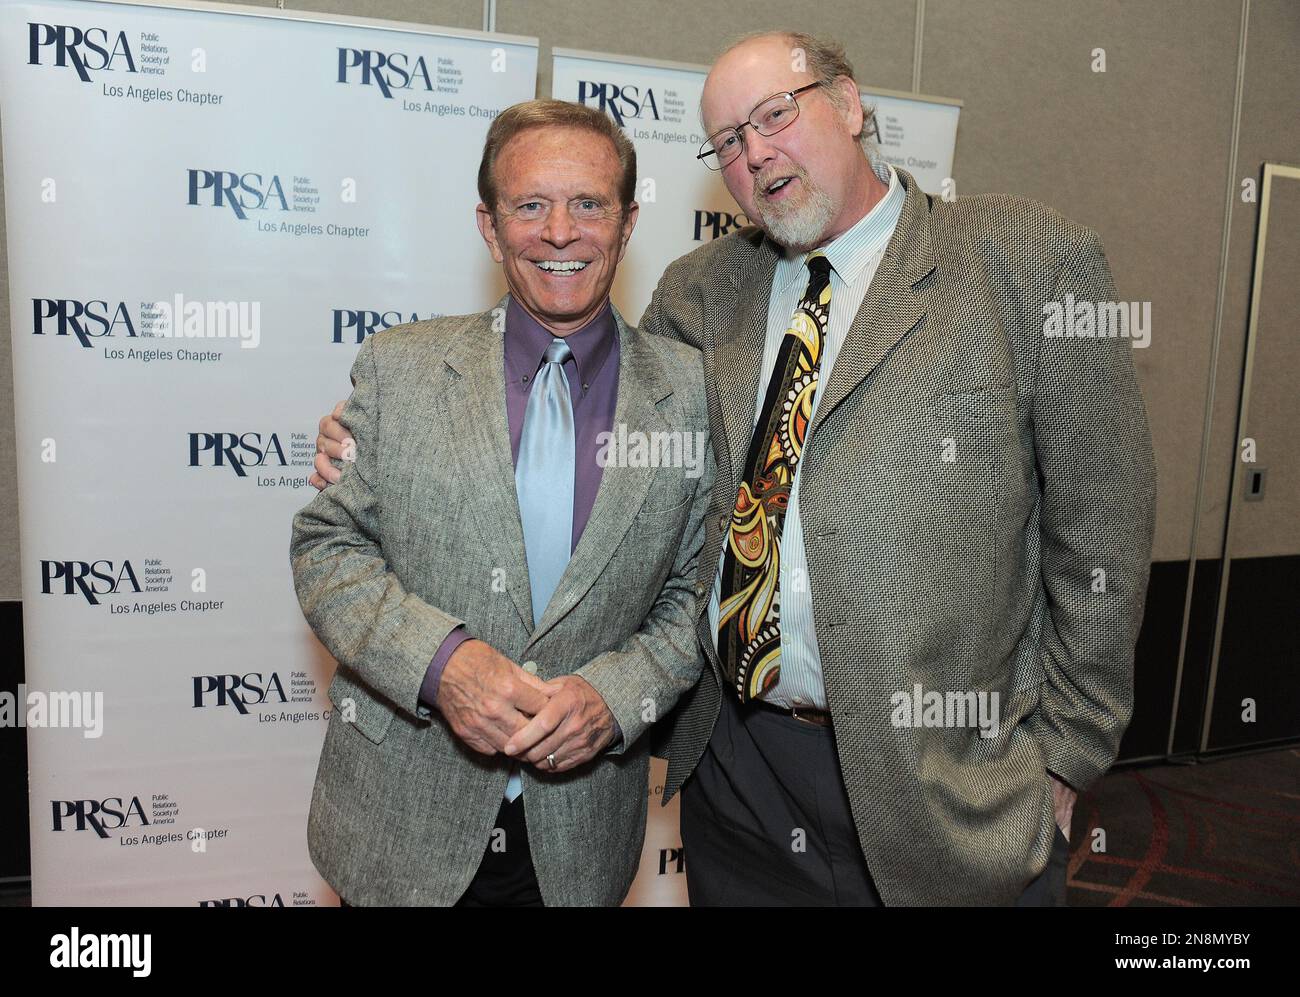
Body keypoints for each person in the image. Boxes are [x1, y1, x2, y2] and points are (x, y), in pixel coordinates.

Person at [313, 31, 1157, 906]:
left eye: (774, 116)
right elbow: (644, 480)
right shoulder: (703, 292)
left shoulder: (1022, 258)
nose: (754, 153)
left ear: (852, 103)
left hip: (947, 784)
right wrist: (368, 433)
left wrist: (1068, 753)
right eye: (727, 142)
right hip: (743, 781)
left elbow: (1103, 523)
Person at [291, 98, 713, 906]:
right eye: (530, 205)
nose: (560, 231)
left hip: (579, 840)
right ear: (490, 226)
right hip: (397, 823)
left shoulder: (691, 395)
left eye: (589, 203)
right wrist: (442, 666)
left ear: (626, 224)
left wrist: (615, 699)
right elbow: (327, 551)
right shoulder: (399, 369)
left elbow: (693, 597)